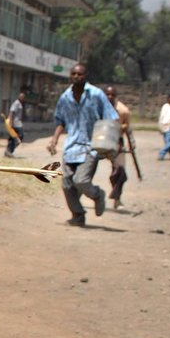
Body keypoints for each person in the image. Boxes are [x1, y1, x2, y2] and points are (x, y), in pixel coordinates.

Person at [47, 63, 117, 227]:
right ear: (70, 76)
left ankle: (97, 195)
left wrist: (111, 144)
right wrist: (54, 140)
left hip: (90, 147)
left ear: (86, 76)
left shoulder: (96, 95)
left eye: (80, 74)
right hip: (71, 147)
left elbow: (110, 118)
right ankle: (78, 215)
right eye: (74, 74)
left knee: (81, 181)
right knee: (66, 184)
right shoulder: (65, 98)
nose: (76, 77)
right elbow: (61, 121)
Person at [104, 86, 131, 209]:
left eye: (112, 95)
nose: (109, 97)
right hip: (99, 141)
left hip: (116, 141)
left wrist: (120, 128)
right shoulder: (98, 106)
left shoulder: (123, 110)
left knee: (119, 171)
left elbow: (127, 127)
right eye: (107, 94)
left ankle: (117, 198)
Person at [5, 89, 26, 156]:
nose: (23, 98)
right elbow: (12, 112)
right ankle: (9, 151)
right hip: (15, 123)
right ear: (19, 97)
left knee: (13, 137)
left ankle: (9, 151)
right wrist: (11, 122)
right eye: (22, 97)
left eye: (23, 97)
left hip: (18, 123)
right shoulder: (16, 103)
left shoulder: (20, 104)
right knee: (19, 136)